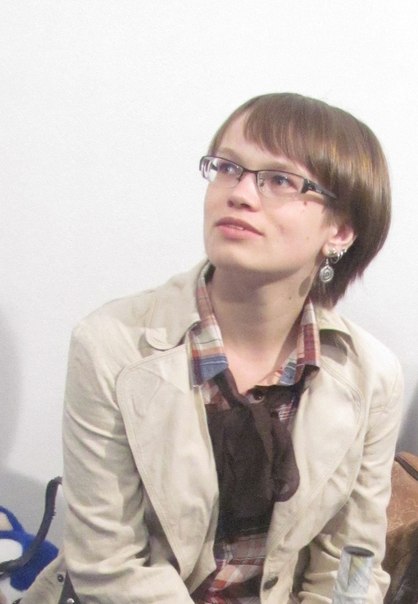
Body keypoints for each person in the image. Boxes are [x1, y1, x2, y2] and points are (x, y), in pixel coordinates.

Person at [21, 93, 403, 603]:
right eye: (227, 168)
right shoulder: (112, 346)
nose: (239, 193)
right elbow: (109, 565)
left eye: (280, 180)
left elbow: (354, 561)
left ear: (342, 230)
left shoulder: (372, 377)